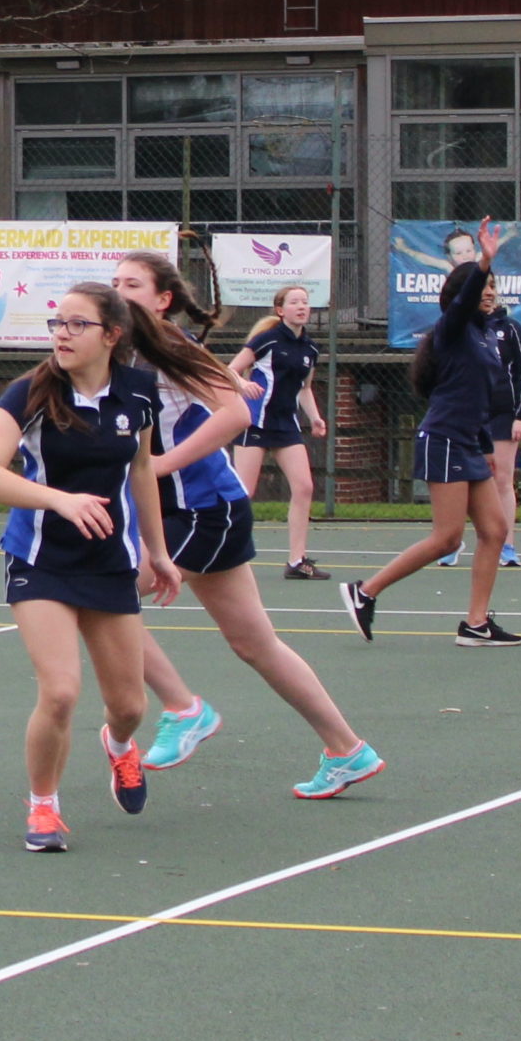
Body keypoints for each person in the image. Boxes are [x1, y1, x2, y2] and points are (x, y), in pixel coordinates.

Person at [113, 255, 383, 799]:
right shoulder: (118, 349)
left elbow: (235, 413)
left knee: (98, 595)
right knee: (255, 644)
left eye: (132, 284)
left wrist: (160, 466)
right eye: (114, 281)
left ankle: (183, 708)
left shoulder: (171, 348)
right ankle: (347, 749)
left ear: (163, 298)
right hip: (196, 509)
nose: (118, 290)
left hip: (201, 509)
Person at [0, 282, 182, 853]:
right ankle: (43, 806)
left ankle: (118, 746)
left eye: (76, 324)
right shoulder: (30, 392)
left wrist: (156, 552)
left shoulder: (137, 393)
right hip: (40, 561)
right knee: (60, 692)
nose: (61, 334)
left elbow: (140, 470)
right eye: (56, 323)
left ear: (111, 336)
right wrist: (58, 499)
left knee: (131, 706)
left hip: (109, 564)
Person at [341, 262, 521, 646]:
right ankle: (365, 591)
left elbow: (476, 398)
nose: (489, 292)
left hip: (470, 443)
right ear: (464, 295)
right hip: (443, 441)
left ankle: (476, 624)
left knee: (494, 530)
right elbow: (461, 306)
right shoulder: (452, 329)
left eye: (493, 286)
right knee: (447, 539)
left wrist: (487, 447)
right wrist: (482, 265)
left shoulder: (484, 334)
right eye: (482, 287)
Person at [228, 285, 331, 579]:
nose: (301, 306)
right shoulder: (267, 340)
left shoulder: (310, 348)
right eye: (294, 302)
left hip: (286, 426)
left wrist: (315, 418)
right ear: (280, 310)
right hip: (256, 423)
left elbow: (306, 388)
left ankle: (297, 562)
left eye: (305, 302)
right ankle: (228, 553)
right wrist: (242, 384)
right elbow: (231, 370)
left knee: (304, 487)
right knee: (243, 493)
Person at [483, 291, 521, 569]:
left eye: (491, 289)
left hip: (504, 414)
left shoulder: (512, 329)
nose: (487, 296)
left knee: (502, 479)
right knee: (470, 479)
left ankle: (508, 545)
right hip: (472, 414)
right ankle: (452, 540)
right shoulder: (464, 328)